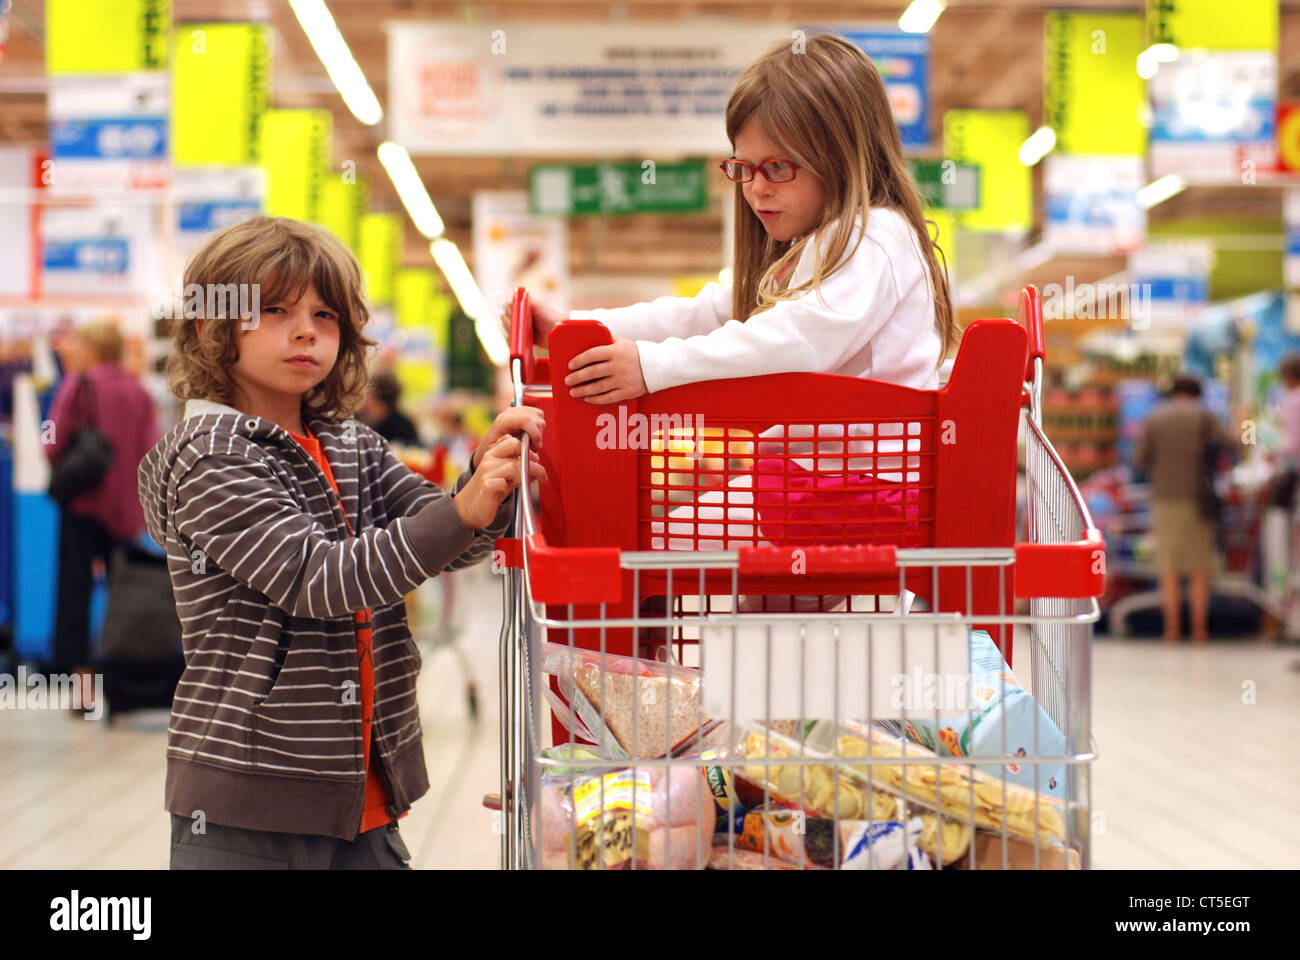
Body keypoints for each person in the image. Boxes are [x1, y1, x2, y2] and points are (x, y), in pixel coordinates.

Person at [137, 216, 545, 869]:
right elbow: (318, 577)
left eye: (324, 315)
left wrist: (485, 485)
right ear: (209, 328)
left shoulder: (349, 443)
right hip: (247, 809)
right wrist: (461, 513)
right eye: (274, 310)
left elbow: (449, 538)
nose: (306, 330)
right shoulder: (207, 456)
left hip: (362, 798)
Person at [525, 31, 954, 399]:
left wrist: (653, 367)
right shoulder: (809, 249)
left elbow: (797, 340)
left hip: (864, 483)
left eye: (778, 168)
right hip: (812, 477)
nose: (756, 188)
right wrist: (574, 327)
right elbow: (703, 313)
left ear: (842, 157)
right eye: (743, 168)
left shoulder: (874, 236)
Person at [45, 320, 159, 711]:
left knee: (74, 595)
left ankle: (82, 692)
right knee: (124, 596)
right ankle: (123, 687)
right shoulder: (140, 392)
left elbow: (51, 438)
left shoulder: (77, 385)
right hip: (126, 511)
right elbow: (152, 452)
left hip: (83, 505)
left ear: (92, 348)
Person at [1134, 375, 1235, 644]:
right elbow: (1233, 445)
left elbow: (1140, 459)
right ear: (1197, 393)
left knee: (1169, 566)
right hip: (1198, 499)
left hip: (1165, 497)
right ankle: (1200, 630)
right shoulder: (1205, 417)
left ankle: (1172, 629)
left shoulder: (1155, 418)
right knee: (1199, 566)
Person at [361, 369, 422, 447]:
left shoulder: (401, 427)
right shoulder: (405, 423)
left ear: (376, 397)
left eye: (368, 393)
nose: (365, 398)